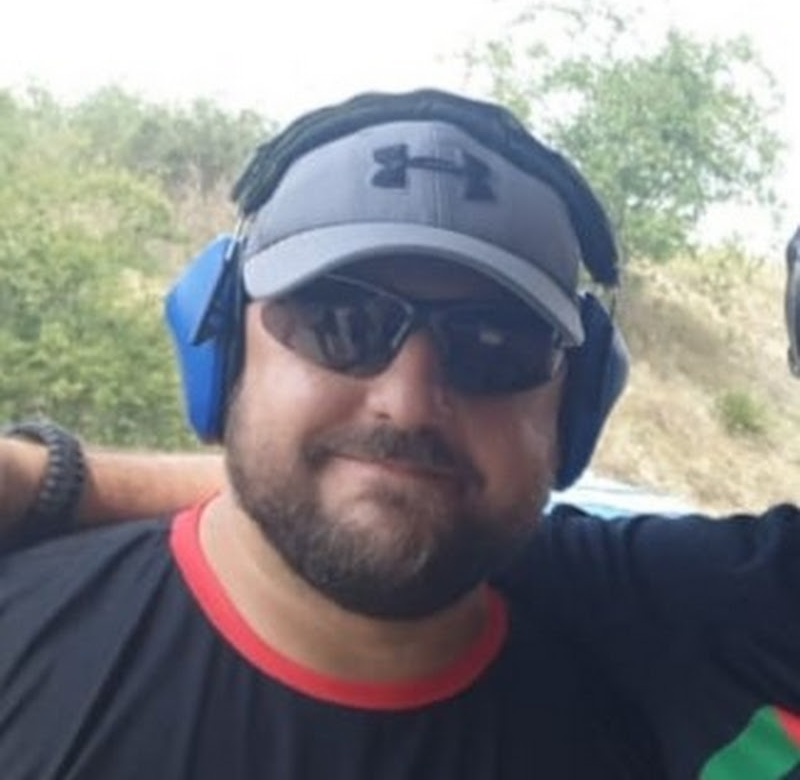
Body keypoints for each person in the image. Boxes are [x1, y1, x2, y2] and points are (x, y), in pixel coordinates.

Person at [2, 92, 799, 779]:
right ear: (222, 348)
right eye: (339, 321)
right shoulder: (23, 646)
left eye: (495, 346)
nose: (409, 403)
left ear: (576, 408)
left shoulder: (637, 685)